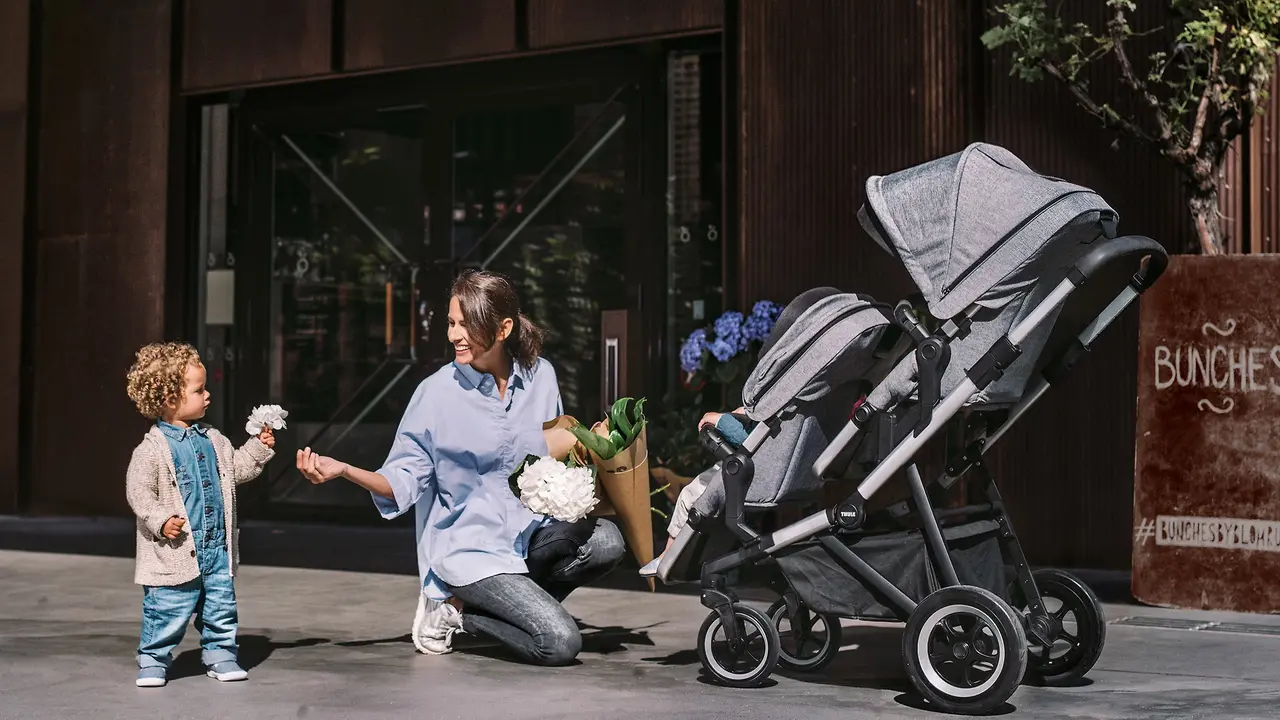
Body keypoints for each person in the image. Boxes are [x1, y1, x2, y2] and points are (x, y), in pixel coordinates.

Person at [296, 270, 626, 666]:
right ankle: (456, 614)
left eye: (465, 324)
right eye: (451, 323)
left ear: (503, 329)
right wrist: (345, 470)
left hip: (529, 539)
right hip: (470, 552)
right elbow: (402, 479)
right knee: (559, 642)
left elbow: (553, 457)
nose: (454, 334)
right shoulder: (436, 394)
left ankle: (489, 606)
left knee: (607, 541)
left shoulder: (542, 377)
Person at [124, 342, 277, 688]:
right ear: (169, 399)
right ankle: (153, 658)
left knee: (220, 608)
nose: (208, 395)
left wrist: (257, 448)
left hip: (216, 549)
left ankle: (221, 653)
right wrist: (161, 520)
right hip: (175, 554)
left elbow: (235, 469)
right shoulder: (151, 450)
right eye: (199, 390)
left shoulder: (214, 439)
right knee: (165, 609)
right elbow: (139, 492)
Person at [638, 408, 752, 577]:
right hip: (776, 477)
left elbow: (745, 439)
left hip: (748, 474)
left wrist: (719, 420)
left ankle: (667, 557)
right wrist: (742, 412)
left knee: (690, 494)